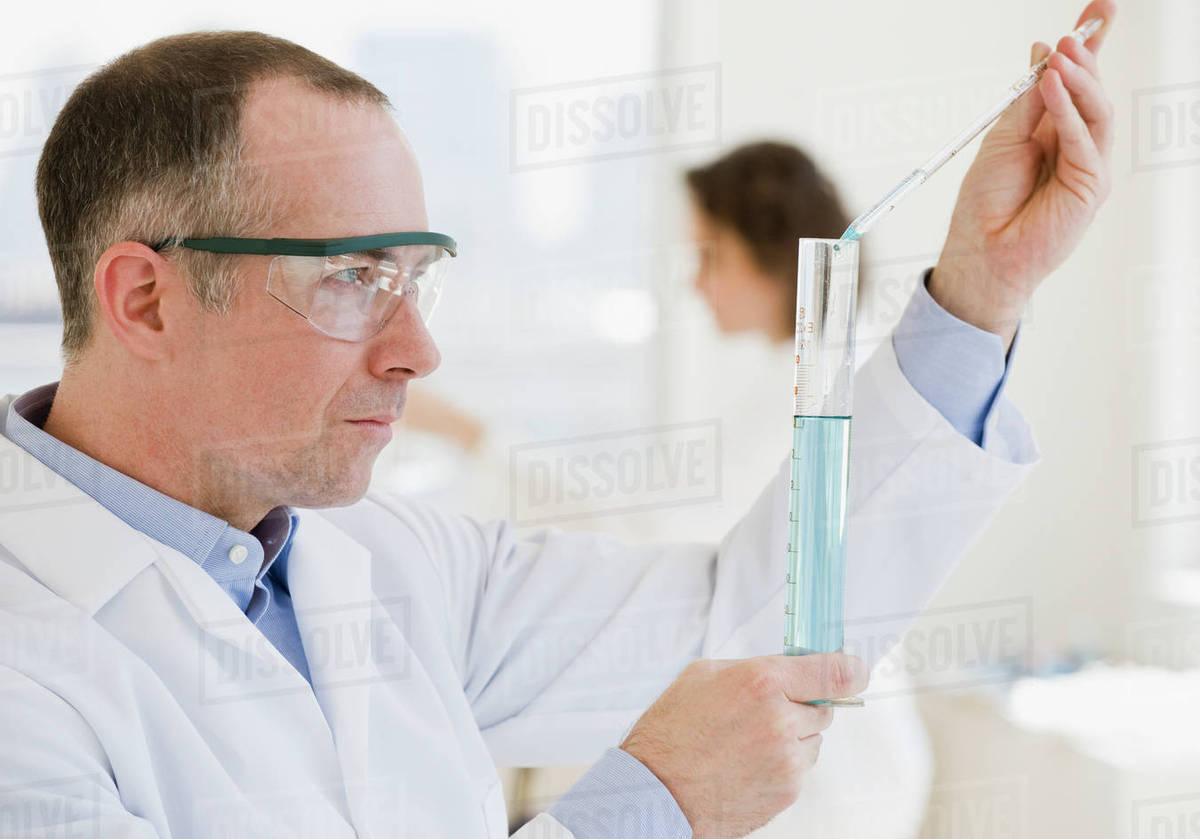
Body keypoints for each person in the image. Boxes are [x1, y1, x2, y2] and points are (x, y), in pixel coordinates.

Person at [0, 1, 1113, 835]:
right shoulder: (26, 674)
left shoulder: (386, 560)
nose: (416, 350)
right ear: (144, 297)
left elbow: (753, 616)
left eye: (412, 275)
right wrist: (639, 810)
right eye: (348, 277)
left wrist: (980, 292)